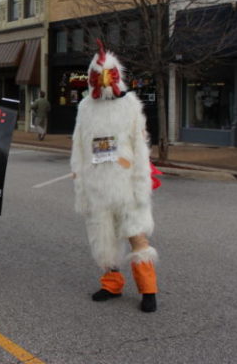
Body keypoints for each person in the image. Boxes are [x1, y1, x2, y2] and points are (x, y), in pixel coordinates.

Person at [70, 39, 159, 313]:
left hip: (126, 183)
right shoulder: (85, 108)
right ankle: (111, 284)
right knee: (103, 237)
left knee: (136, 236)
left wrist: (141, 186)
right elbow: (78, 148)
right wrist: (81, 185)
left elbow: (140, 147)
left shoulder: (130, 105)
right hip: (97, 184)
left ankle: (148, 290)